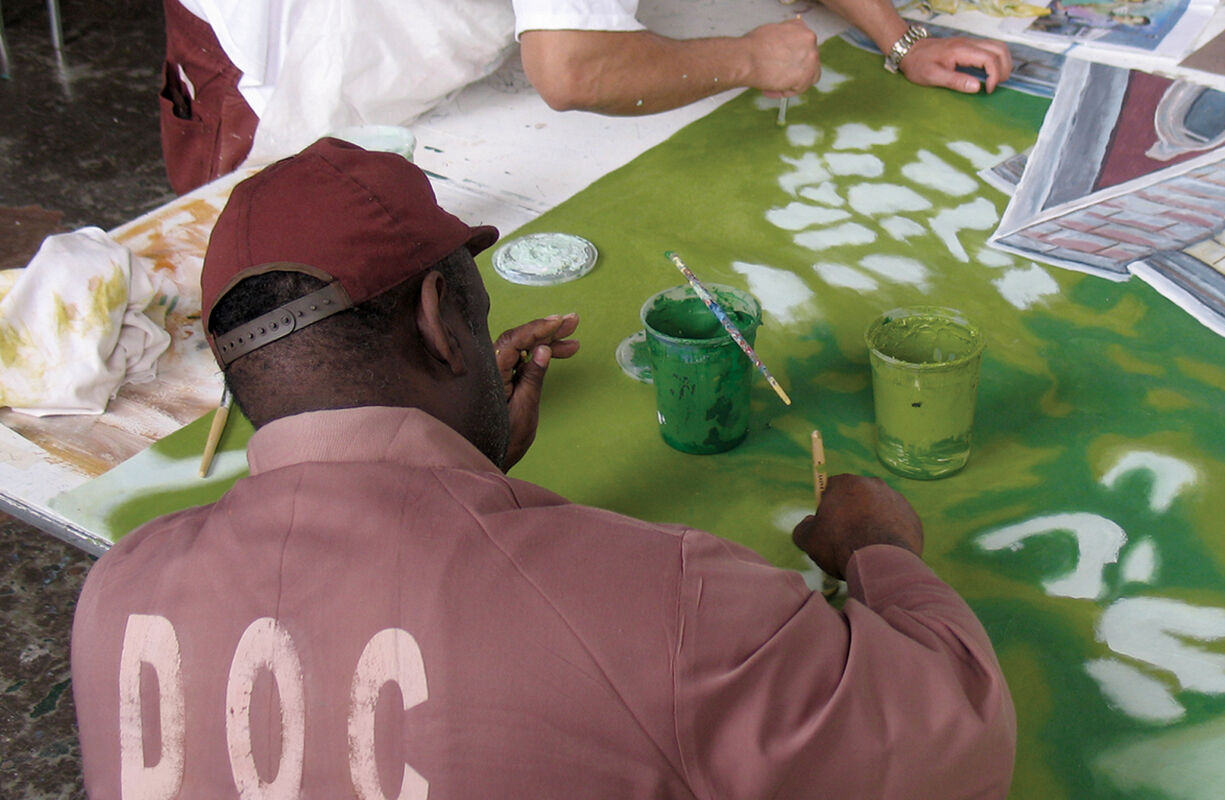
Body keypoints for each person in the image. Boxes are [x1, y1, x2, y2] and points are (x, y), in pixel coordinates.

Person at [71, 137, 1017, 797]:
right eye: (476, 309)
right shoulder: (664, 606)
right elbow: (959, 741)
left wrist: (468, 465)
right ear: (440, 321)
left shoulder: (117, 593)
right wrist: (881, 550)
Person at [159, 0, 1015, 193]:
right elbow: (574, 69)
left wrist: (899, 39)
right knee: (273, 311)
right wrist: (751, 57)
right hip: (283, 73)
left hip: (428, 61)